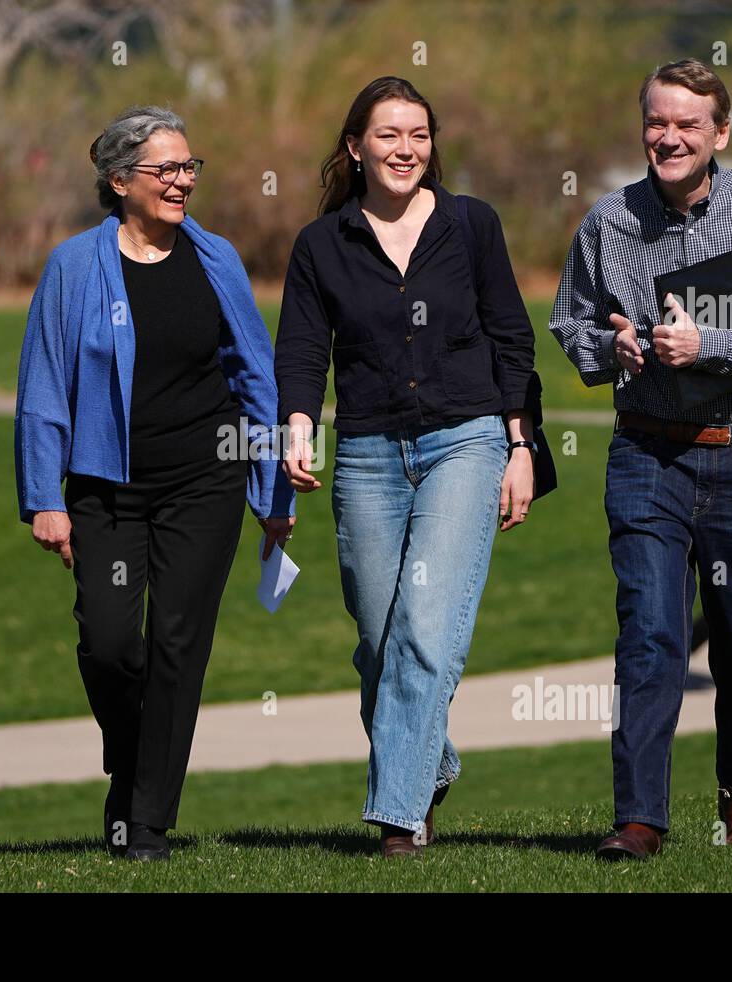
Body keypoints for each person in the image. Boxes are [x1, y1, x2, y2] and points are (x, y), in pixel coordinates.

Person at [548, 59, 732, 860]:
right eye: (656, 122)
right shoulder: (609, 220)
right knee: (648, 637)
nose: (668, 137)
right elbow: (571, 326)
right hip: (648, 456)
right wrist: (615, 344)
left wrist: (713, 344)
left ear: (720, 134)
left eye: (687, 125)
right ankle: (639, 818)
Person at [14, 105, 296, 862]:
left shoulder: (216, 259)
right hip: (105, 487)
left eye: (188, 167)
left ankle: (146, 823)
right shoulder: (74, 267)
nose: (182, 181)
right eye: (165, 169)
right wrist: (45, 497)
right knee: (108, 642)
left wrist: (273, 493)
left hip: (204, 478)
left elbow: (256, 378)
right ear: (118, 180)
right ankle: (133, 760)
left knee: (178, 644)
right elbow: (43, 385)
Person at [275, 76, 542, 859]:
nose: (405, 149)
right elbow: (299, 349)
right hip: (364, 452)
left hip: (467, 440)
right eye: (388, 135)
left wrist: (521, 446)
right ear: (355, 147)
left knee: (426, 632)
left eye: (418, 134)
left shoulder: (471, 225)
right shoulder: (322, 244)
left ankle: (399, 820)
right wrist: (297, 427)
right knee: (378, 639)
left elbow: (512, 340)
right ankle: (433, 762)